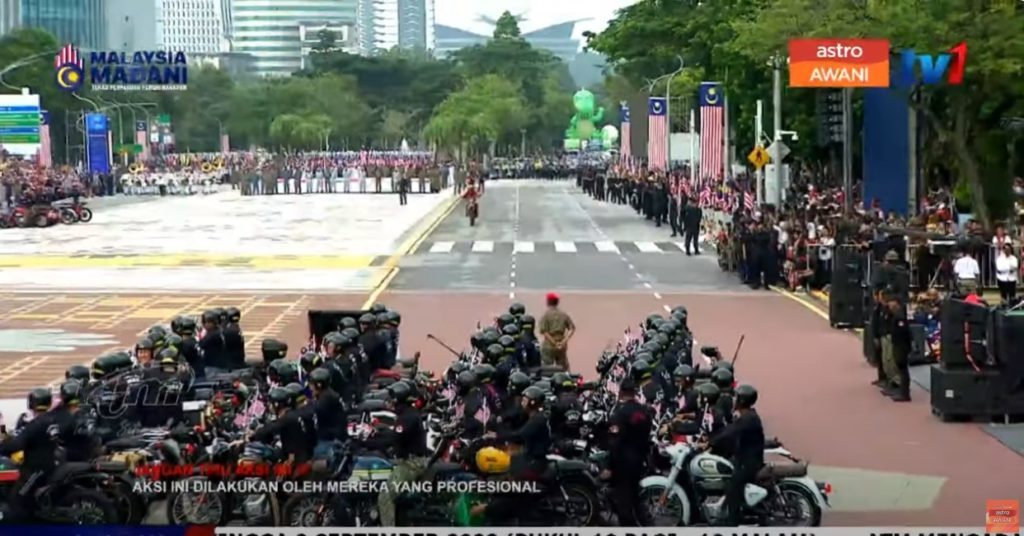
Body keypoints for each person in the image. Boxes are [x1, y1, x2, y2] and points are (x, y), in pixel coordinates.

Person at [471, 385, 551, 522]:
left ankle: (489, 509)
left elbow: (520, 435)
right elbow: (513, 417)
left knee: (510, 486)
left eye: (525, 400)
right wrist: (499, 422)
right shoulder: (536, 416)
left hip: (534, 462)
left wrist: (497, 436)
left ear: (533, 402)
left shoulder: (537, 420)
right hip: (530, 457)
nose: (522, 402)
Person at [366, 381, 428, 526]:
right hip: (406, 460)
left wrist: (366, 443)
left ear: (398, 399)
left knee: (385, 495)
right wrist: (376, 434)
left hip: (411, 464)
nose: (390, 401)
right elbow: (394, 433)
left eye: (392, 398)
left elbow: (393, 439)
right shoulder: (406, 414)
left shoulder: (408, 417)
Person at [702, 384, 764, 526]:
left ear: (742, 400)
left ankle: (732, 521)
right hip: (744, 457)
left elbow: (730, 432)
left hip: (749, 462)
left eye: (736, 398)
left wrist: (711, 442)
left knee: (733, 487)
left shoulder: (748, 419)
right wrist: (710, 439)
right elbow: (728, 430)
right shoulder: (746, 416)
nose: (734, 400)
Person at [0, 388, 60, 522]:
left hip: (36, 470)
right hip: (50, 464)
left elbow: (16, 445)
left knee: (17, 498)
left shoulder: (35, 424)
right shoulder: (52, 420)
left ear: (31, 403)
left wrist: (3, 448)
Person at [604, 377, 652, 525]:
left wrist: (608, 466)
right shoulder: (644, 411)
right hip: (640, 460)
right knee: (636, 499)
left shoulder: (619, 413)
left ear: (621, 392)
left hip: (623, 463)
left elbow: (615, 442)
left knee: (623, 504)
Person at [886, 293, 913, 402]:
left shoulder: (900, 316)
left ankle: (905, 393)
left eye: (891, 303)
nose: (889, 305)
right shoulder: (895, 315)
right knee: (900, 369)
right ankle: (902, 391)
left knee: (903, 369)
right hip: (898, 345)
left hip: (901, 346)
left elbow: (903, 332)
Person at [539, 292, 575, 370]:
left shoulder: (546, 315)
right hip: (562, 345)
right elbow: (572, 328)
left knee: (547, 367)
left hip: (549, 345)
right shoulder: (563, 315)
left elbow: (544, 331)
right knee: (563, 368)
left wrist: (554, 343)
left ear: (548, 302)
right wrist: (564, 341)